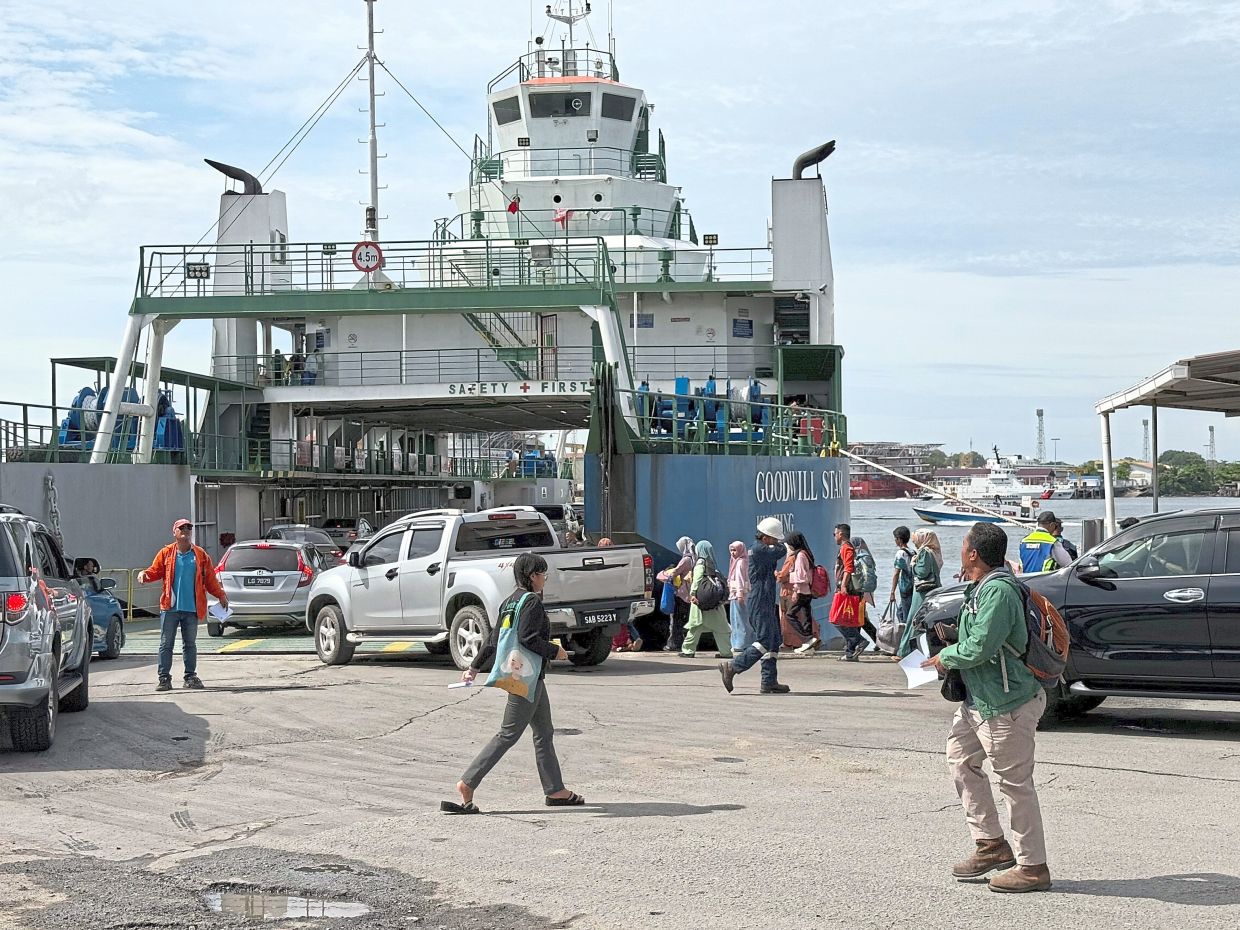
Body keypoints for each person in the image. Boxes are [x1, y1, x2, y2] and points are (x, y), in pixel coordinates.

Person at [920, 523, 1051, 893]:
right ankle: (991, 844)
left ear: (973, 553)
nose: (959, 550)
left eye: (963, 545)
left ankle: (1033, 866)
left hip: (1007, 704)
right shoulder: (981, 586)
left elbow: (980, 648)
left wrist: (945, 656)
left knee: (1015, 784)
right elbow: (979, 637)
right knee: (960, 761)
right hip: (979, 700)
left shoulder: (998, 590)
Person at [446, 552, 584, 814]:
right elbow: (528, 638)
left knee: (544, 733)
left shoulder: (510, 602)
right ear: (532, 576)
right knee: (508, 734)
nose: (545, 579)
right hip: (525, 677)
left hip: (529, 677)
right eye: (543, 574)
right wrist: (557, 652)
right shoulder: (531, 602)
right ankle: (468, 782)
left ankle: (555, 790)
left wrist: (474, 668)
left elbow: (494, 639)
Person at [139, 519, 229, 691]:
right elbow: (155, 570)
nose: (186, 530)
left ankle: (190, 676)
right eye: (182, 528)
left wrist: (221, 595)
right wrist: (144, 575)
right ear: (175, 532)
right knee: (166, 644)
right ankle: (164, 678)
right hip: (170, 607)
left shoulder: (200, 555)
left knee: (190, 644)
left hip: (191, 608)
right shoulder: (166, 553)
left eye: (189, 528)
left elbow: (210, 579)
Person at [719, 518, 790, 694]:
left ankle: (769, 681)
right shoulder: (759, 550)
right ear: (765, 538)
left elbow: (778, 549)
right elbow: (781, 551)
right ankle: (734, 667)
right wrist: (781, 546)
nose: (776, 542)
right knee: (765, 641)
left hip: (765, 599)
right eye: (774, 539)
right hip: (760, 601)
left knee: (774, 641)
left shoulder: (763, 549)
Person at [681, 541, 733, 658]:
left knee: (695, 626)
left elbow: (697, 579)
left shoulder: (700, 563)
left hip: (700, 601)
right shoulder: (712, 563)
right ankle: (726, 652)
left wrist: (693, 593)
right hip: (713, 603)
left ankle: (688, 651)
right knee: (721, 627)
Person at [898, 529, 944, 656]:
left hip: (922, 591)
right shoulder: (935, 552)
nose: (915, 541)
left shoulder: (925, 552)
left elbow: (922, 571)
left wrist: (913, 565)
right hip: (933, 588)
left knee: (913, 619)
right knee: (927, 621)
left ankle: (905, 651)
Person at [829, 523, 866, 660]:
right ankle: (850, 653)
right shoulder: (846, 548)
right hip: (848, 589)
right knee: (849, 620)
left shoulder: (846, 548)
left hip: (846, 589)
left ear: (841, 534)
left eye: (835, 534)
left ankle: (858, 640)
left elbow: (848, 568)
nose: (834, 537)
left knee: (836, 618)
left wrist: (843, 585)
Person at [781, 531, 820, 653]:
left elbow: (801, 576)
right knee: (806, 617)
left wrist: (795, 591)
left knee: (790, 615)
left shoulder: (800, 556)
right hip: (807, 592)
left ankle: (807, 639)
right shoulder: (805, 554)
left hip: (801, 591)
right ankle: (809, 645)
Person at [657, 537, 695, 652]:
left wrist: (664, 574)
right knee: (686, 619)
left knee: (677, 621)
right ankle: (682, 642)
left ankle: (674, 643)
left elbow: (675, 572)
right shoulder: (694, 559)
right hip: (690, 593)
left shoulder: (685, 560)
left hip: (682, 594)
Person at [851, 536, 881, 650]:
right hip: (865, 591)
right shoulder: (867, 556)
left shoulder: (861, 557)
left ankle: (856, 642)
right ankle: (873, 641)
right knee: (860, 618)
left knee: (860, 618)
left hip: (860, 590)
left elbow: (861, 575)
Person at [726, 540, 752, 656]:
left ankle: (741, 643)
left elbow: (741, 579)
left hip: (738, 594)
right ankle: (739, 642)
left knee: (740, 619)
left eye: (735, 550)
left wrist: (740, 594)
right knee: (735, 619)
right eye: (731, 550)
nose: (732, 553)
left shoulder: (741, 562)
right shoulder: (735, 561)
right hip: (734, 594)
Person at [889, 525, 916, 623]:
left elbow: (896, 573)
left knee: (905, 616)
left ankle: (906, 636)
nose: (895, 541)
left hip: (905, 587)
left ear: (899, 539)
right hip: (913, 586)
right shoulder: (913, 552)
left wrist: (892, 592)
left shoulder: (900, 553)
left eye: (895, 538)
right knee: (900, 613)